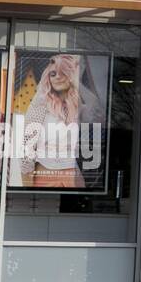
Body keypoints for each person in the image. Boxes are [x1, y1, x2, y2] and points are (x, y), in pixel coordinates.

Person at [20, 54, 86, 189]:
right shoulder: (41, 103)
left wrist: (78, 84)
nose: (57, 77)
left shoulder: (77, 105)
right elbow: (27, 146)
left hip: (72, 177)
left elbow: (98, 112)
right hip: (45, 175)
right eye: (53, 74)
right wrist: (26, 183)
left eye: (63, 72)